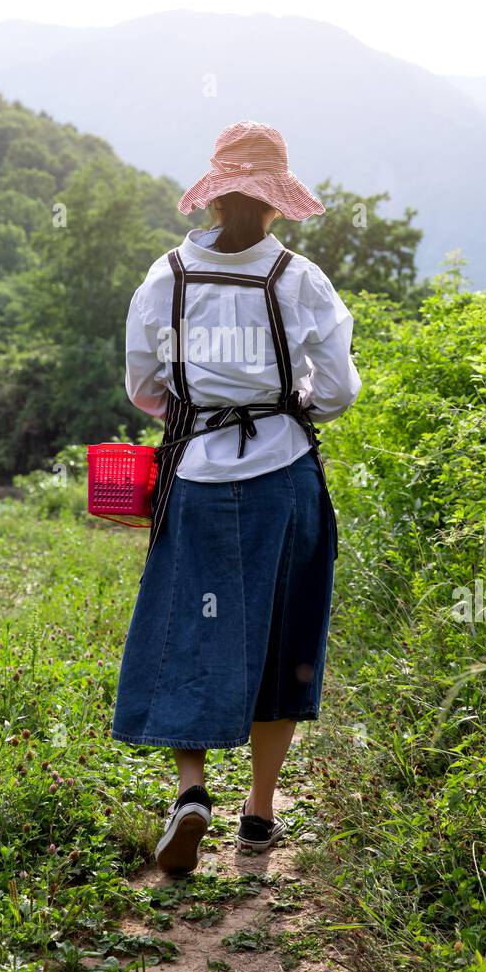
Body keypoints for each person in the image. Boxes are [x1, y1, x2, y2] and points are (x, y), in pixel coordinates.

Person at [111, 120, 362, 873]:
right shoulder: (299, 279)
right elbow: (340, 390)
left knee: (189, 625)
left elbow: (143, 388)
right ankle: (258, 816)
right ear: (278, 202)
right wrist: (292, 404)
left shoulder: (166, 277)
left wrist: (202, 413)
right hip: (283, 479)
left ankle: (191, 791)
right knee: (282, 638)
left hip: (194, 478)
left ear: (215, 197)